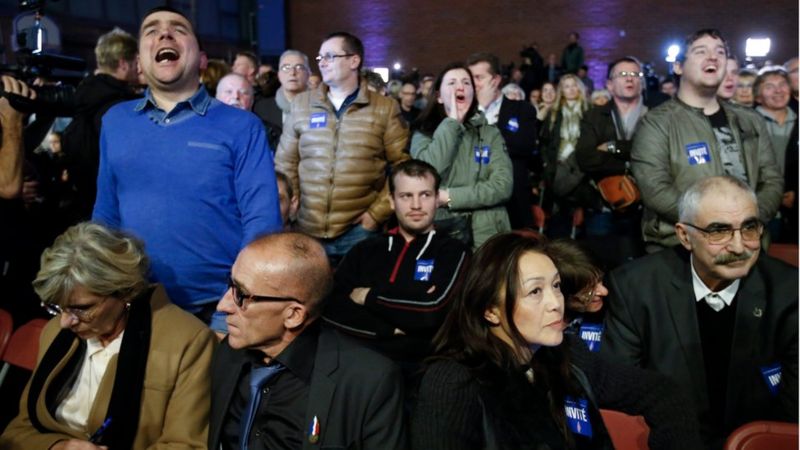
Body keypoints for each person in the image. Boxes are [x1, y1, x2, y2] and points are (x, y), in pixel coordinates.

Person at [412, 232, 702, 450]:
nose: (556, 303)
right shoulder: (452, 381)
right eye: (535, 292)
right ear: (490, 310)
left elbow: (663, 393)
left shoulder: (567, 355)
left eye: (556, 286)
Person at [92, 6, 282, 325]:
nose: (164, 33)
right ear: (139, 62)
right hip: (133, 304)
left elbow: (262, 219)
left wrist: (242, 293)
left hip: (219, 308)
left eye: (179, 29)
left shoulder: (242, 126)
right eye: (151, 30)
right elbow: (106, 211)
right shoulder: (115, 122)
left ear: (202, 60)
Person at [601, 176, 798, 448]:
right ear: (684, 236)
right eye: (719, 231)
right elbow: (619, 390)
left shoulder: (790, 291)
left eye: (750, 228)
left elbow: (792, 410)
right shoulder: (636, 288)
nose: (740, 247)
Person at [0, 222, 216, 449]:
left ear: (124, 291)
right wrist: (58, 446)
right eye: (57, 307)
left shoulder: (187, 342)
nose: (65, 321)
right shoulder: (56, 332)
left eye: (81, 308)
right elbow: (18, 430)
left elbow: (187, 445)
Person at [209, 232, 407, 449]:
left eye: (241, 295)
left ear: (293, 315)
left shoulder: (368, 381)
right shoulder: (229, 353)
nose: (223, 306)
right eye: (230, 285)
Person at [631, 29, 783, 251]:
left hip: (748, 247)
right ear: (678, 66)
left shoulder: (750, 120)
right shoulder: (657, 123)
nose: (713, 57)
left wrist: (748, 221)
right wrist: (713, 226)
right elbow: (655, 189)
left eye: (720, 52)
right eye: (700, 51)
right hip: (680, 250)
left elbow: (772, 179)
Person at [323, 160, 469, 380]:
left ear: (437, 199)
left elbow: (432, 311)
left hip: (422, 371)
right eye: (406, 196)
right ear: (392, 201)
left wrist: (368, 296)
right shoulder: (365, 250)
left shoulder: (454, 252)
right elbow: (331, 307)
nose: (416, 205)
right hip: (359, 368)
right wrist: (388, 329)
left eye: (425, 195)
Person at [275, 31, 409, 264]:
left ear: (354, 61)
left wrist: (375, 216)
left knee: (356, 297)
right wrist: (293, 207)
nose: (322, 62)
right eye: (320, 58)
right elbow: (286, 162)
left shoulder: (385, 108)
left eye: (329, 56)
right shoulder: (302, 104)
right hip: (307, 229)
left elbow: (401, 166)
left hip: (359, 230)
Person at [410, 62, 512, 249]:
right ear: (439, 97)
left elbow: (502, 186)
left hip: (488, 236)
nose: (460, 87)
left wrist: (449, 197)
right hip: (443, 232)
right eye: (452, 83)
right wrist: (452, 124)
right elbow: (426, 174)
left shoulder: (489, 133)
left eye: (466, 82)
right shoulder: (423, 133)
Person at [61, 27, 142, 222]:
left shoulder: (83, 95)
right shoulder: (120, 106)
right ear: (123, 64)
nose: (139, 68)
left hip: (85, 202)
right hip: (113, 208)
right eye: (135, 62)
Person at [575, 56, 648, 263]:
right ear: (609, 84)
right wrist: (630, 159)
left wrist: (613, 147)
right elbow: (586, 157)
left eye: (635, 74)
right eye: (622, 74)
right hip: (602, 204)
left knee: (641, 269)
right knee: (601, 264)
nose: (630, 79)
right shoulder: (594, 116)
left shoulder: (655, 115)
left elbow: (656, 156)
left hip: (645, 207)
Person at [468, 52, 538, 229]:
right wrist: (481, 110)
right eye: (470, 78)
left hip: (513, 199)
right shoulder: (465, 113)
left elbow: (523, 146)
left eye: (479, 77)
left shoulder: (522, 109)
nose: (473, 83)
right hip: (473, 199)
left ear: (496, 80)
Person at [539, 73, 593, 238]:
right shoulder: (554, 113)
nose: (570, 89)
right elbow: (545, 142)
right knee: (558, 219)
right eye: (566, 86)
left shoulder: (589, 111)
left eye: (573, 85)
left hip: (580, 169)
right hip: (557, 168)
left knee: (578, 220)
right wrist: (547, 164)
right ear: (561, 90)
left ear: (579, 88)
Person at [753, 66, 798, 242]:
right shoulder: (747, 123)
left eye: (782, 84)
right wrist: (774, 195)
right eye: (769, 86)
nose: (778, 90)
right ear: (758, 95)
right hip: (759, 204)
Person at [547, 238, 608, 353]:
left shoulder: (613, 312)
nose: (604, 292)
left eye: (600, 280)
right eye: (589, 290)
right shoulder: (542, 334)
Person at [253, 49, 311, 151]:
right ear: (279, 75)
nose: (292, 73)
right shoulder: (261, 108)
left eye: (299, 67)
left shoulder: (321, 106)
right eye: (286, 68)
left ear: (308, 74)